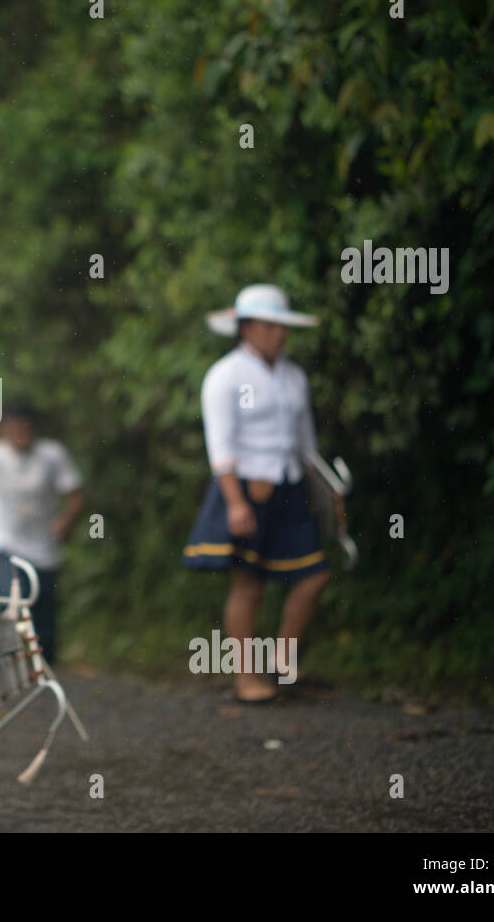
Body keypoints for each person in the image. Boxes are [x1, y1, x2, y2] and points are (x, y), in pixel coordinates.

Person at [182, 284, 335, 703]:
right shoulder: (225, 375)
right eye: (269, 325)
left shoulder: (294, 375)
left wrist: (327, 492)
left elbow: (306, 446)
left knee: (314, 575)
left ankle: (283, 659)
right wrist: (235, 502)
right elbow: (221, 447)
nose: (279, 334)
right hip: (247, 492)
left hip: (291, 489)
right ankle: (246, 678)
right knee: (249, 585)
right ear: (246, 327)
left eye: (282, 326)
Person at [0, 399, 84, 665]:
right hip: (4, 543)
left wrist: (65, 521)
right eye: (14, 429)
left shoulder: (51, 455)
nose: (21, 436)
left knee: (44, 613)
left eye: (26, 429)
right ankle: (11, 662)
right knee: (12, 602)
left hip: (44, 548)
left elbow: (75, 493)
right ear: (4, 430)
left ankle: (44, 666)